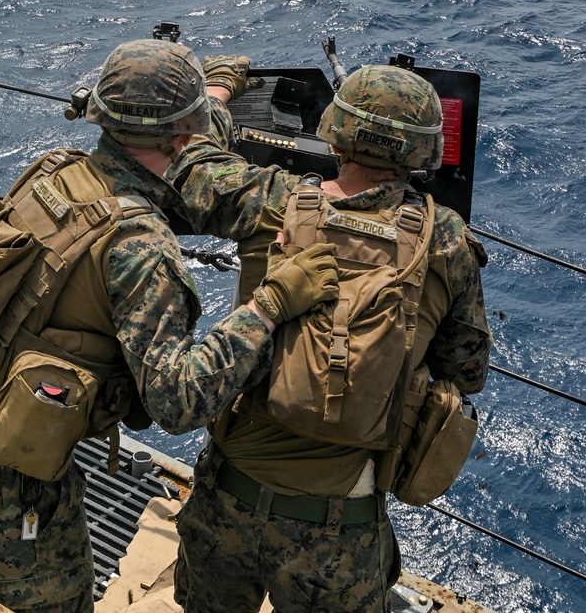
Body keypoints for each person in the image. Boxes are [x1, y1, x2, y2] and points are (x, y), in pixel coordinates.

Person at [0, 39, 339, 613]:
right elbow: (178, 401)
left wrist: (214, 90)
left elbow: (172, 141)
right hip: (8, 486)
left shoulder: (60, 174)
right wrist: (271, 304)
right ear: (185, 135)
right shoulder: (138, 245)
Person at [166, 57, 492, 613]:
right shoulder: (447, 240)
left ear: (336, 137)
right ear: (421, 153)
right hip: (341, 520)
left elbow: (187, 161)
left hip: (229, 494)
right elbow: (466, 371)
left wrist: (219, 89)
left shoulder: (272, 200)